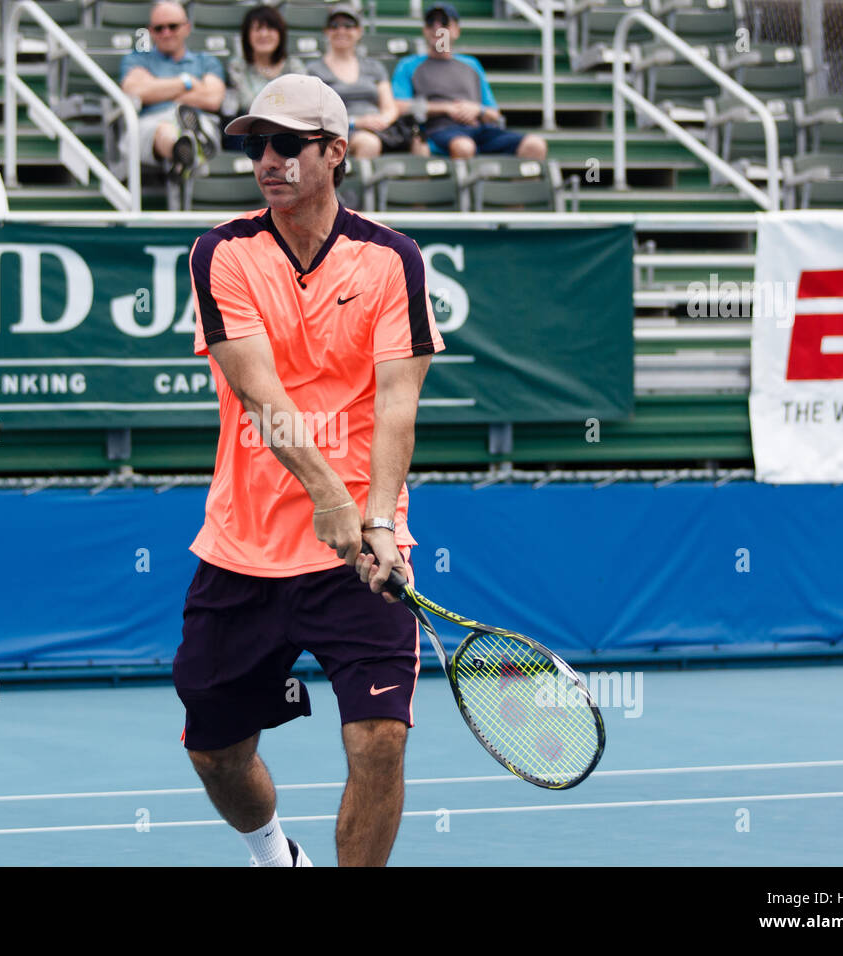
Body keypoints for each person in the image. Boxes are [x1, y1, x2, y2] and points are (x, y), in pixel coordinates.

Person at [178, 74, 444, 867]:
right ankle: (273, 855)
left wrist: (379, 520)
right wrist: (330, 496)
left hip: (360, 560)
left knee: (379, 743)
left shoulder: (392, 259)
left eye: (289, 144)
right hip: (244, 552)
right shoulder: (221, 252)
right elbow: (259, 393)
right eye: (258, 144)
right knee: (216, 754)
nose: (269, 159)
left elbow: (397, 404)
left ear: (336, 152)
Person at [392, 2, 547, 160]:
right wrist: (446, 108)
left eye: (444, 22)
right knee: (464, 146)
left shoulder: (471, 64)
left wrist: (477, 110)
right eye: (431, 22)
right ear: (425, 30)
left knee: (535, 145)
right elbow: (399, 106)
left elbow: (494, 114)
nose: (437, 28)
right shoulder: (409, 65)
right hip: (438, 130)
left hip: (479, 130)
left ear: (456, 31)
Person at [119, 1, 225, 179]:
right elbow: (134, 91)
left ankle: (183, 153)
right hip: (151, 123)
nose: (166, 33)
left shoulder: (206, 61)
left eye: (173, 26)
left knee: (196, 128)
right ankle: (185, 149)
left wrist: (156, 88)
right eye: (159, 28)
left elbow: (213, 99)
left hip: (198, 118)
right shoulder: (137, 59)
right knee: (164, 130)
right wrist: (187, 82)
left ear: (187, 28)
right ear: (150, 31)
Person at [305, 4, 406, 159]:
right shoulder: (314, 70)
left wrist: (381, 120)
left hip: (380, 128)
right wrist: (356, 122)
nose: (341, 31)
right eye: (334, 26)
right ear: (326, 32)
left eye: (348, 26)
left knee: (421, 144)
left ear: (359, 31)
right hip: (339, 130)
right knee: (369, 143)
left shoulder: (374, 67)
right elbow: (315, 114)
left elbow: (389, 107)